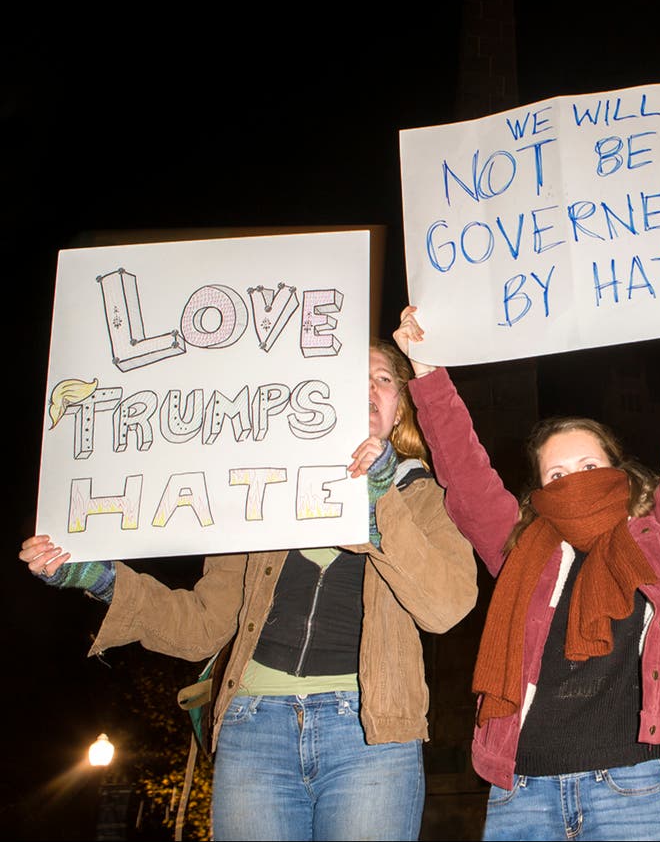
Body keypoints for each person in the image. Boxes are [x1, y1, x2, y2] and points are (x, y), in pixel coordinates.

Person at [19, 337, 479, 842]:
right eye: (350, 377)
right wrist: (99, 577)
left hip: (372, 737)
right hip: (256, 729)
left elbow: (447, 607)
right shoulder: (256, 492)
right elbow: (201, 626)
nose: (368, 386)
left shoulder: (427, 497)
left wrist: (379, 501)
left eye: (384, 379)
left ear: (399, 412)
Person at [393, 273, 660, 842]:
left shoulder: (657, 536)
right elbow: (466, 475)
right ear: (539, 488)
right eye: (558, 473)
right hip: (522, 791)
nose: (575, 481)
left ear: (617, 472)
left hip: (633, 788)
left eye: (589, 467)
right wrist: (426, 371)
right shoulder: (520, 544)